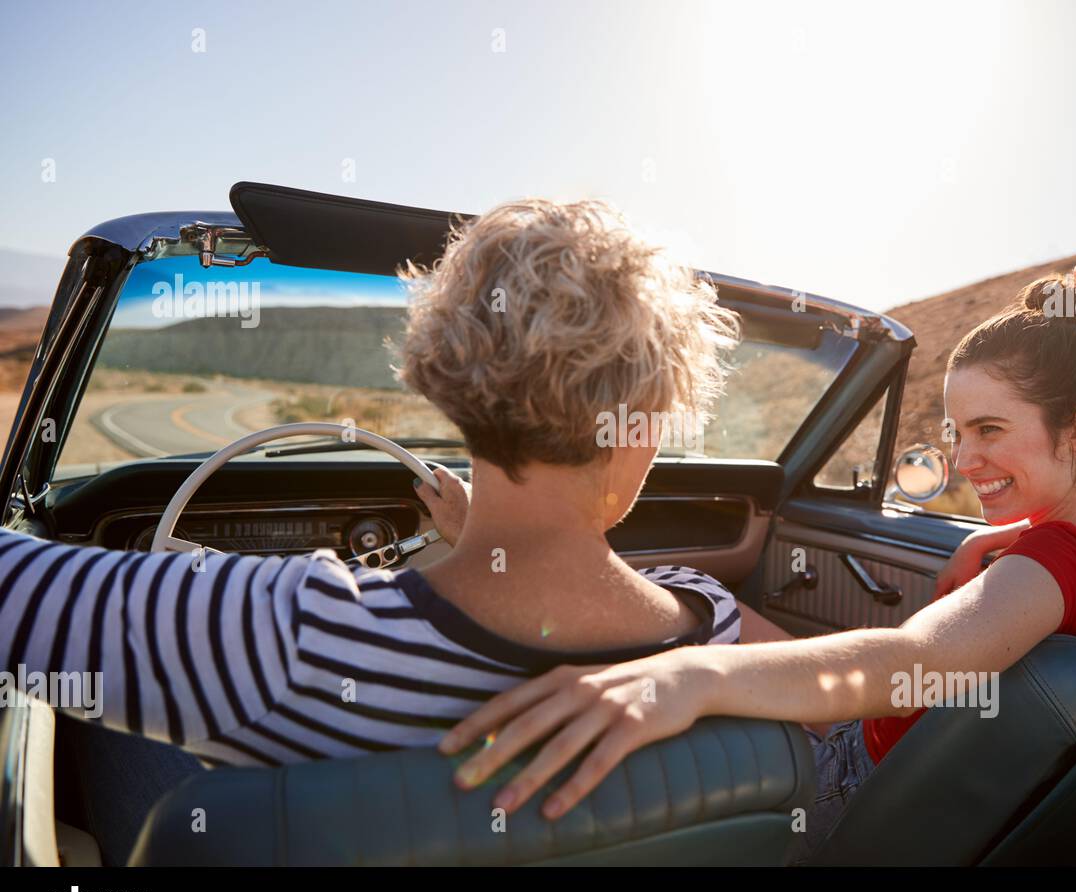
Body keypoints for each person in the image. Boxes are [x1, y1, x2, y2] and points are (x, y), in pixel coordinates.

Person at [0, 198, 745, 857]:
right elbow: (862, 665)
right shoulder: (711, 629)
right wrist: (699, 672)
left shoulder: (283, 628)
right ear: (642, 430)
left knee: (106, 721)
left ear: (451, 388)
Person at [435, 267, 1076, 859]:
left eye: (989, 430)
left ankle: (494, 549)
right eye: (957, 432)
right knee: (700, 597)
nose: (964, 460)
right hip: (901, 758)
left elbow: (914, 661)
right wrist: (1001, 537)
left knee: (682, 630)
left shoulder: (1053, 565)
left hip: (848, 783)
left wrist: (690, 678)